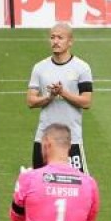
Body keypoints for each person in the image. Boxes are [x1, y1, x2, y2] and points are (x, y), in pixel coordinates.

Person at [26, 22, 95, 188]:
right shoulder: (40, 68)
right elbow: (30, 101)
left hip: (71, 139)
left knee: (77, 186)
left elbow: (86, 101)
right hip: (44, 138)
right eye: (52, 37)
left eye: (60, 37)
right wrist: (49, 97)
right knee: (41, 186)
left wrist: (63, 93)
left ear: (70, 41)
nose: (55, 41)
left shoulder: (82, 68)